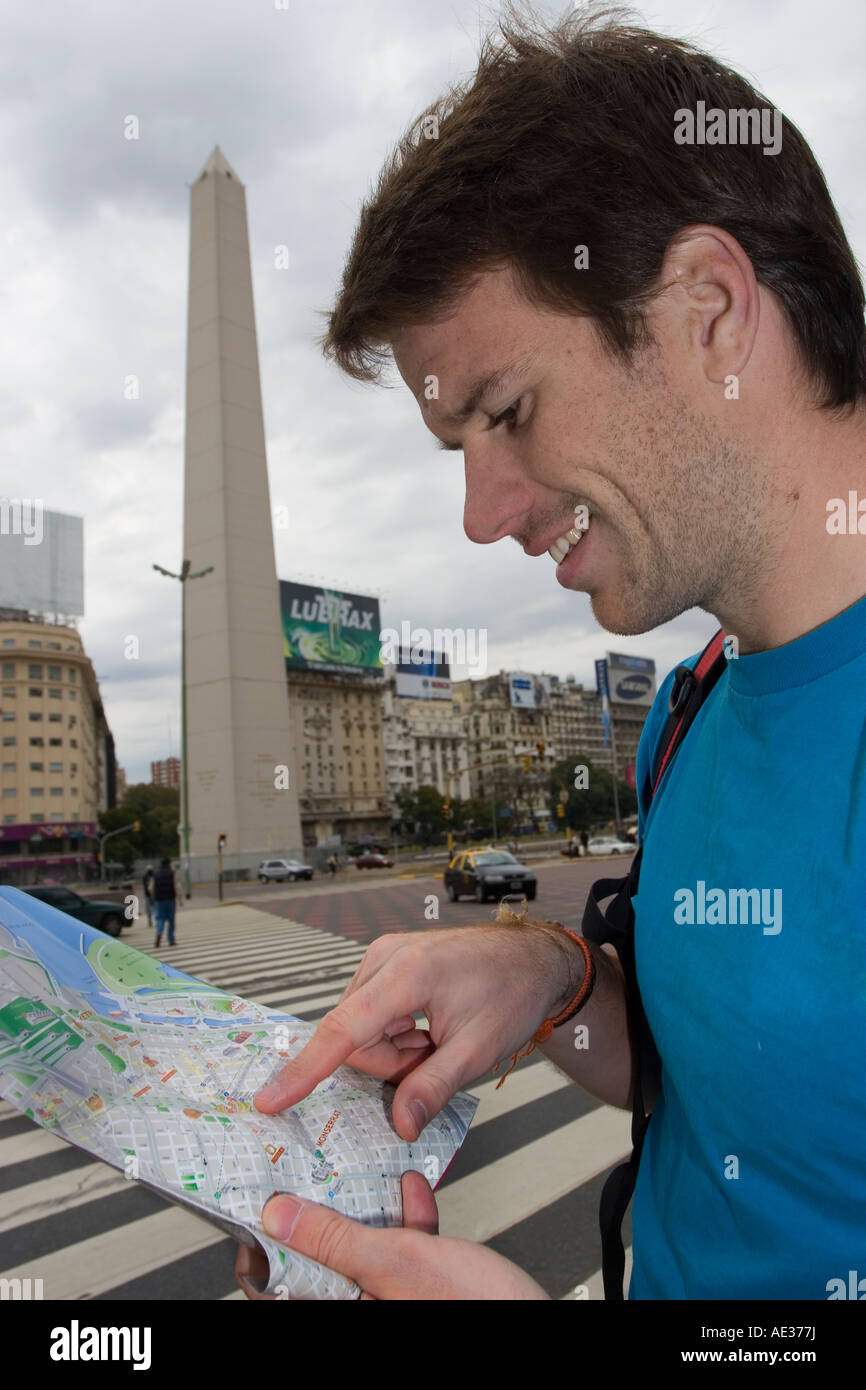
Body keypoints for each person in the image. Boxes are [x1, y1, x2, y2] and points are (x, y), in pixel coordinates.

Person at [236, 10, 866, 1300]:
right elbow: (739, 1075)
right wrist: (550, 976)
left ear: (707, 310)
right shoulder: (687, 706)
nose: (481, 514)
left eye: (506, 411)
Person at [152, 856, 179, 947]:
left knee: (160, 919)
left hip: (159, 900)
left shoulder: (156, 873)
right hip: (170, 899)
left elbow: (151, 887)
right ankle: (171, 939)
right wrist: (180, 898)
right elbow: (176, 886)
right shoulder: (172, 873)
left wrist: (153, 897)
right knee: (171, 920)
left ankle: (159, 933)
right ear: (168, 864)